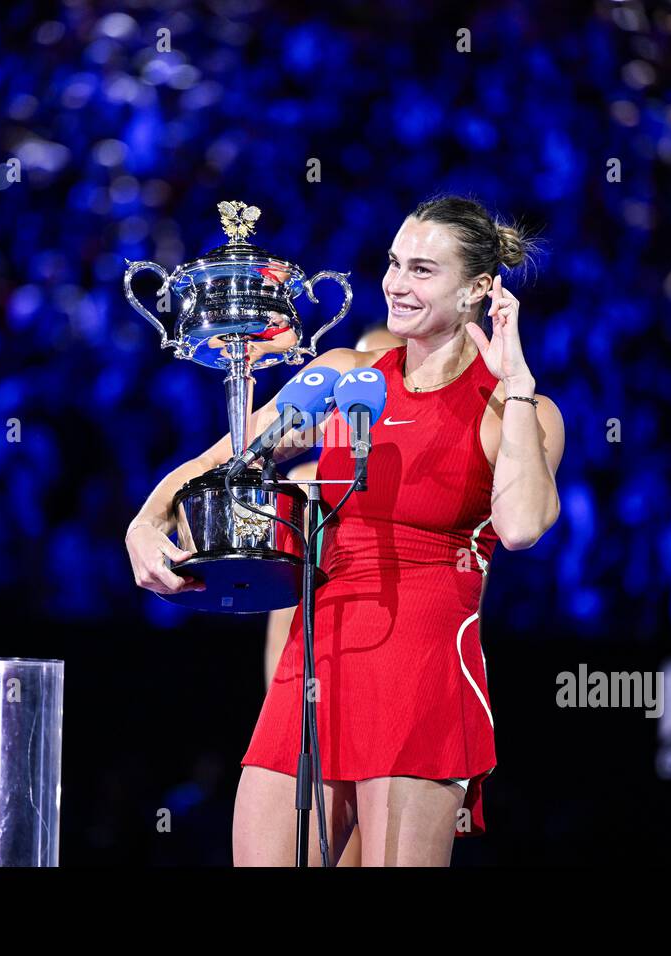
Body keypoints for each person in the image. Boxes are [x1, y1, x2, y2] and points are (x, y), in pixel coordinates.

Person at [126, 195, 564, 866]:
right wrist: (146, 519)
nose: (396, 283)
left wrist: (520, 383)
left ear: (480, 289)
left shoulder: (513, 409)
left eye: (422, 269)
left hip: (420, 669)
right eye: (394, 263)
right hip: (317, 660)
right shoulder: (339, 377)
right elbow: (226, 461)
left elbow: (524, 525)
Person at [261, 324, 404, 869]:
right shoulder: (304, 483)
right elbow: (284, 617)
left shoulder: (425, 494)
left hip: (398, 692)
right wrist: (289, 712)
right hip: (320, 692)